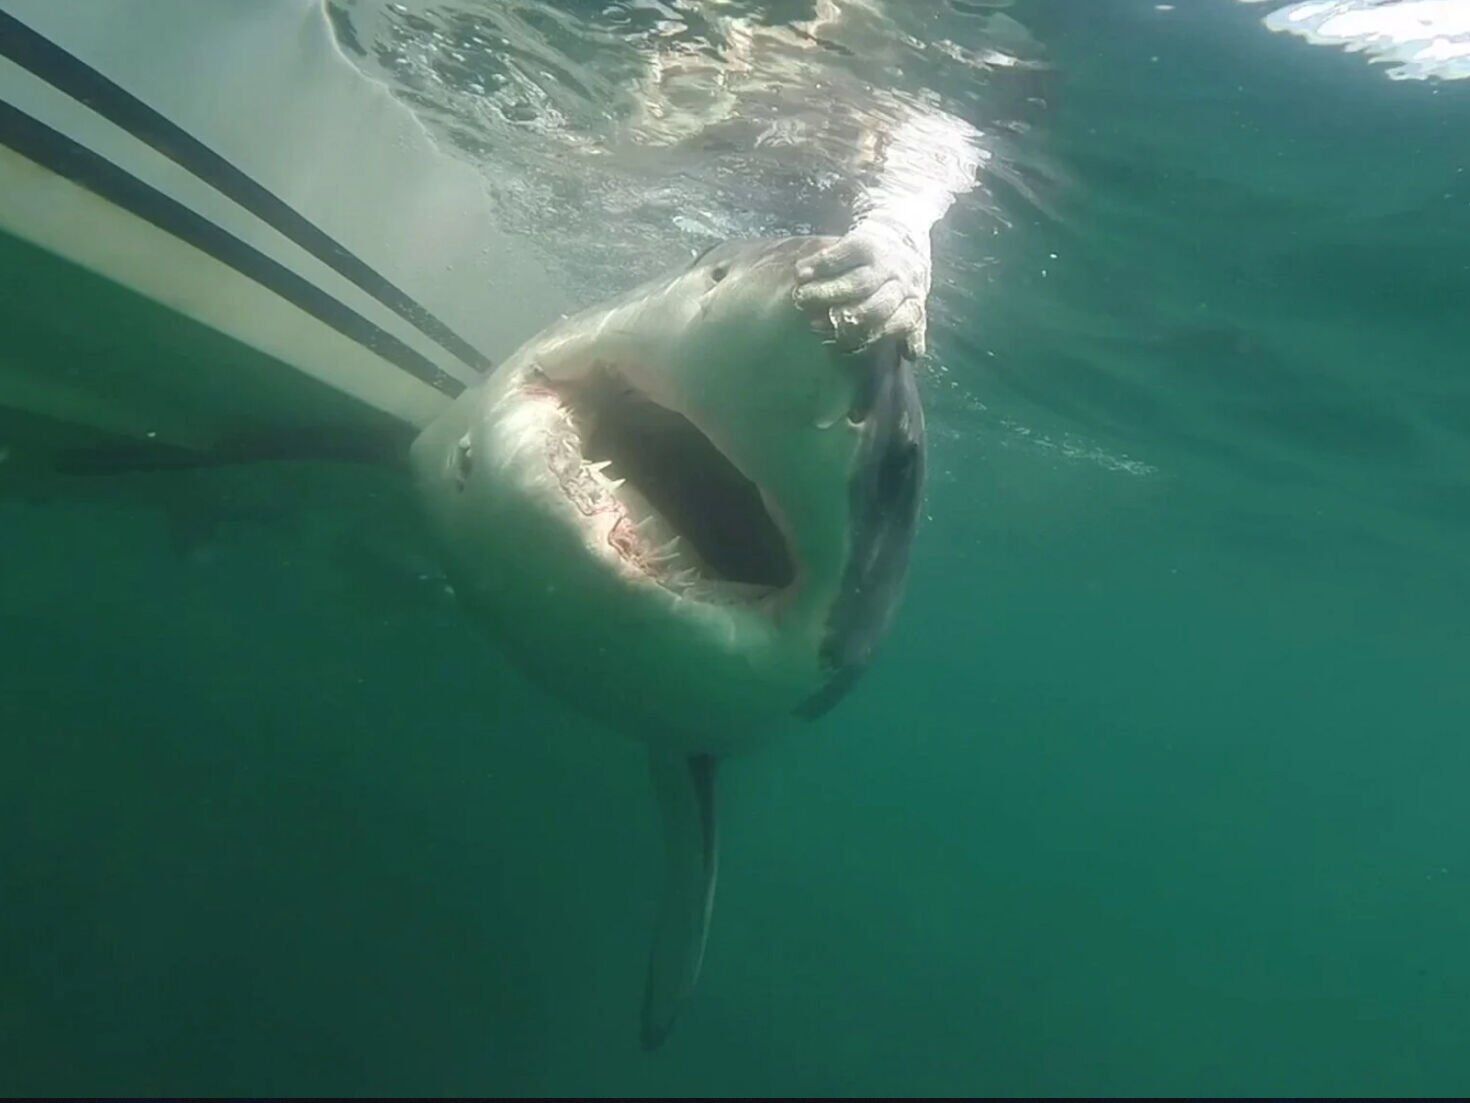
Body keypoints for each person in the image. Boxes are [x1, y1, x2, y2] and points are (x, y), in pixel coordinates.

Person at [623, 0, 988, 360]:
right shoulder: (700, 75)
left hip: (826, 240)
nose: (810, 36)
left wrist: (896, 249)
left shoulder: (918, 132)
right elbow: (625, 172)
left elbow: (913, 201)